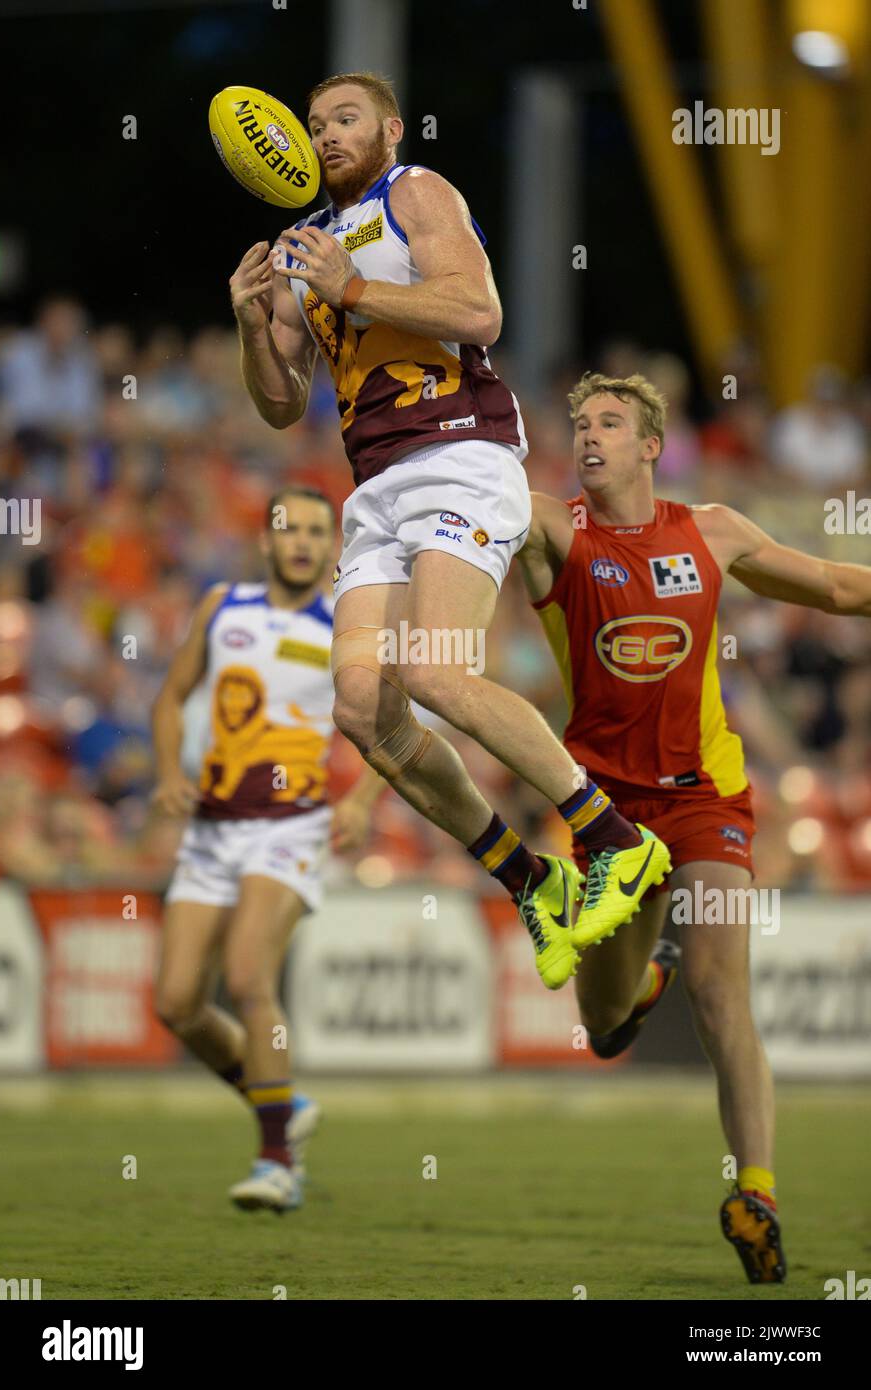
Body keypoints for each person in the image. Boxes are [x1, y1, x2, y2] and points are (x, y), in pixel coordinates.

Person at [230, 70, 670, 993]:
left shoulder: (415, 193)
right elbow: (280, 406)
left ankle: (614, 841)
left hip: (458, 458)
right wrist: (249, 324)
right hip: (376, 484)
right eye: (313, 125)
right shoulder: (302, 246)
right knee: (360, 708)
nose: (325, 134)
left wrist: (350, 287)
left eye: (345, 118)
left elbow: (478, 312)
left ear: (390, 128)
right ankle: (531, 876)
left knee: (433, 671)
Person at [519, 371, 871, 1283]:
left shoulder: (709, 530)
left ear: (649, 445)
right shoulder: (552, 529)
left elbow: (835, 587)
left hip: (703, 798)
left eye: (608, 421)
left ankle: (754, 1194)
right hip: (603, 818)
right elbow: (476, 499)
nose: (587, 433)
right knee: (600, 1029)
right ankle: (636, 990)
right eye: (578, 421)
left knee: (721, 994)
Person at [151, 487, 385, 1212]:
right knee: (178, 1002)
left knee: (250, 977)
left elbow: (390, 727)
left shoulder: (342, 631)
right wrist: (166, 774)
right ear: (267, 540)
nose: (304, 542)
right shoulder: (223, 607)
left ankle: (277, 1160)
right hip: (214, 825)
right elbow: (171, 697)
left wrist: (359, 800)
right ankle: (281, 1102)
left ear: (330, 548)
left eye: (319, 532)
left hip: (290, 825)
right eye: (291, 529)